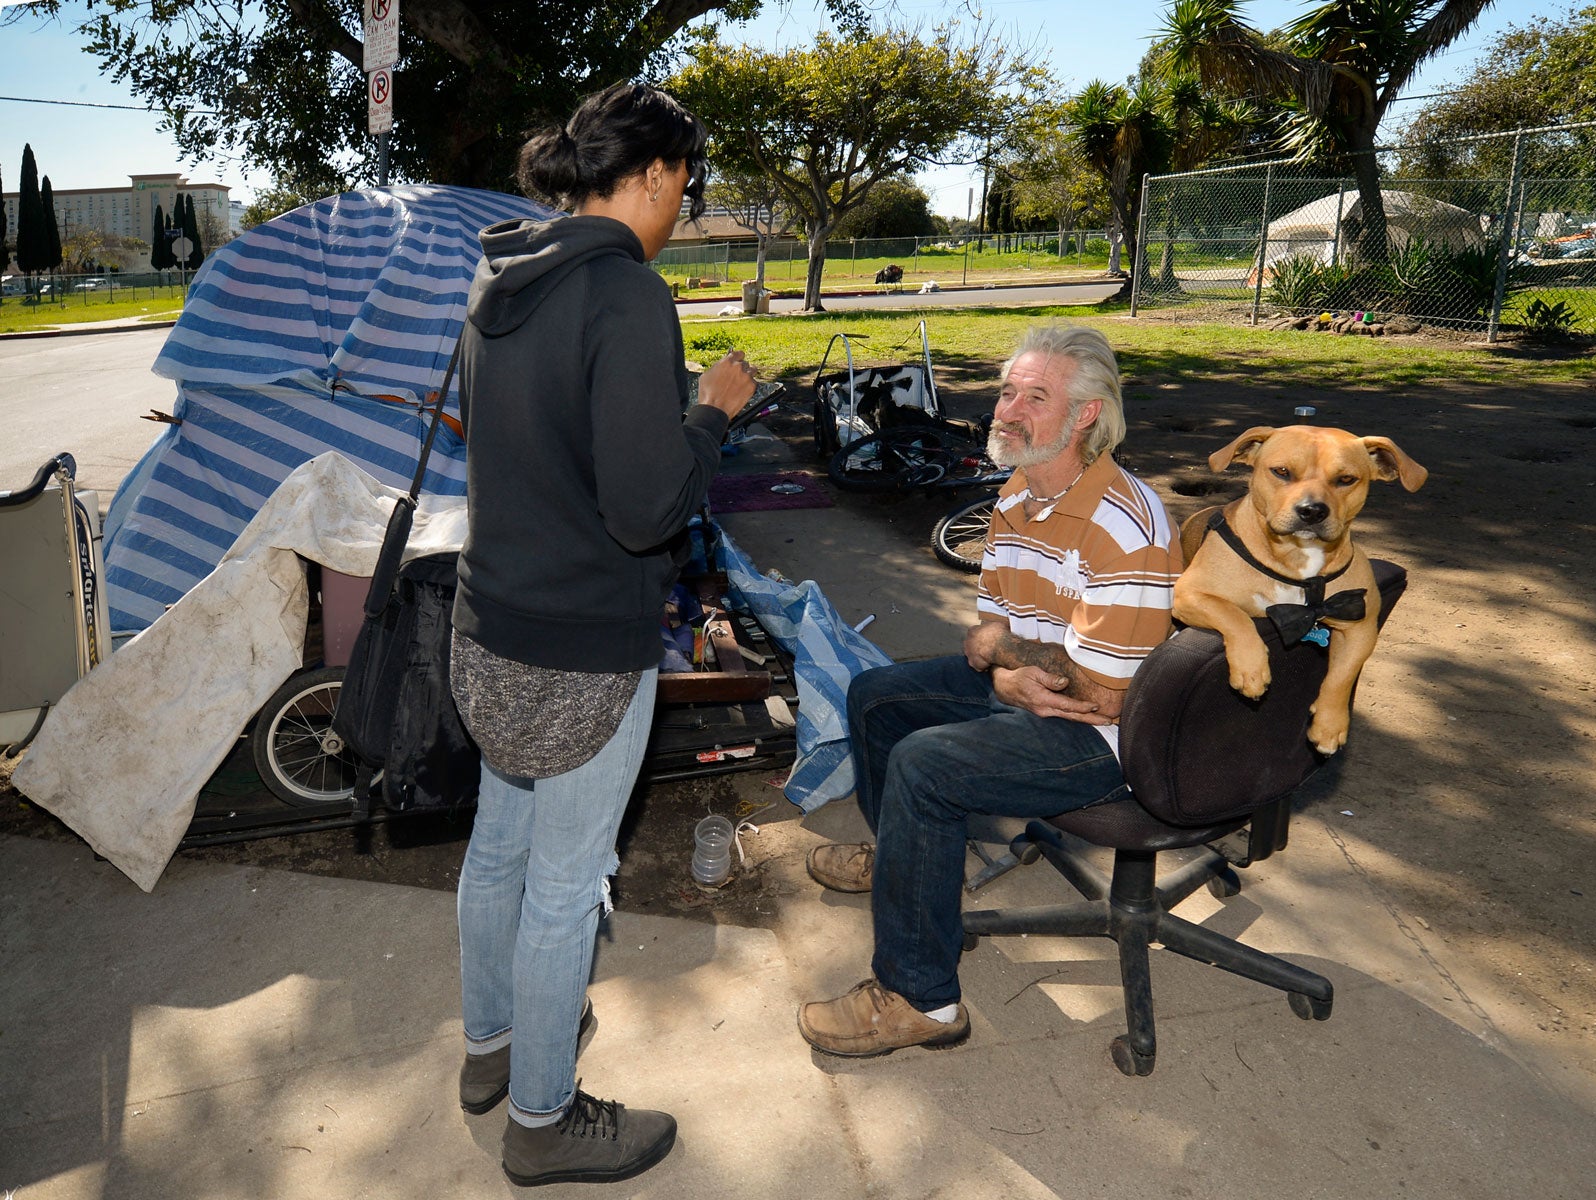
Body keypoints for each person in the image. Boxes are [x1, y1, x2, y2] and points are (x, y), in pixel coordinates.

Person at [448, 83, 757, 1187]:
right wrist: (713, 411)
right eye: (689, 185)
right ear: (659, 174)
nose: (684, 205)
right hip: (582, 642)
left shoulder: (500, 274)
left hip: (488, 626)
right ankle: (541, 1118)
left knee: (500, 850)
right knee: (565, 886)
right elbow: (646, 507)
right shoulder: (625, 294)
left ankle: (490, 1053)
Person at [798, 321, 1182, 1057]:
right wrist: (1009, 672)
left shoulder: (1125, 524)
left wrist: (1004, 660)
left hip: (1104, 740)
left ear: (1085, 416)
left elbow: (1103, 698)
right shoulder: (1015, 496)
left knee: (926, 764)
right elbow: (987, 637)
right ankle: (903, 863)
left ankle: (923, 1000)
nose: (1007, 409)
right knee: (876, 695)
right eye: (1009, 390)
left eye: (1035, 396)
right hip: (1034, 690)